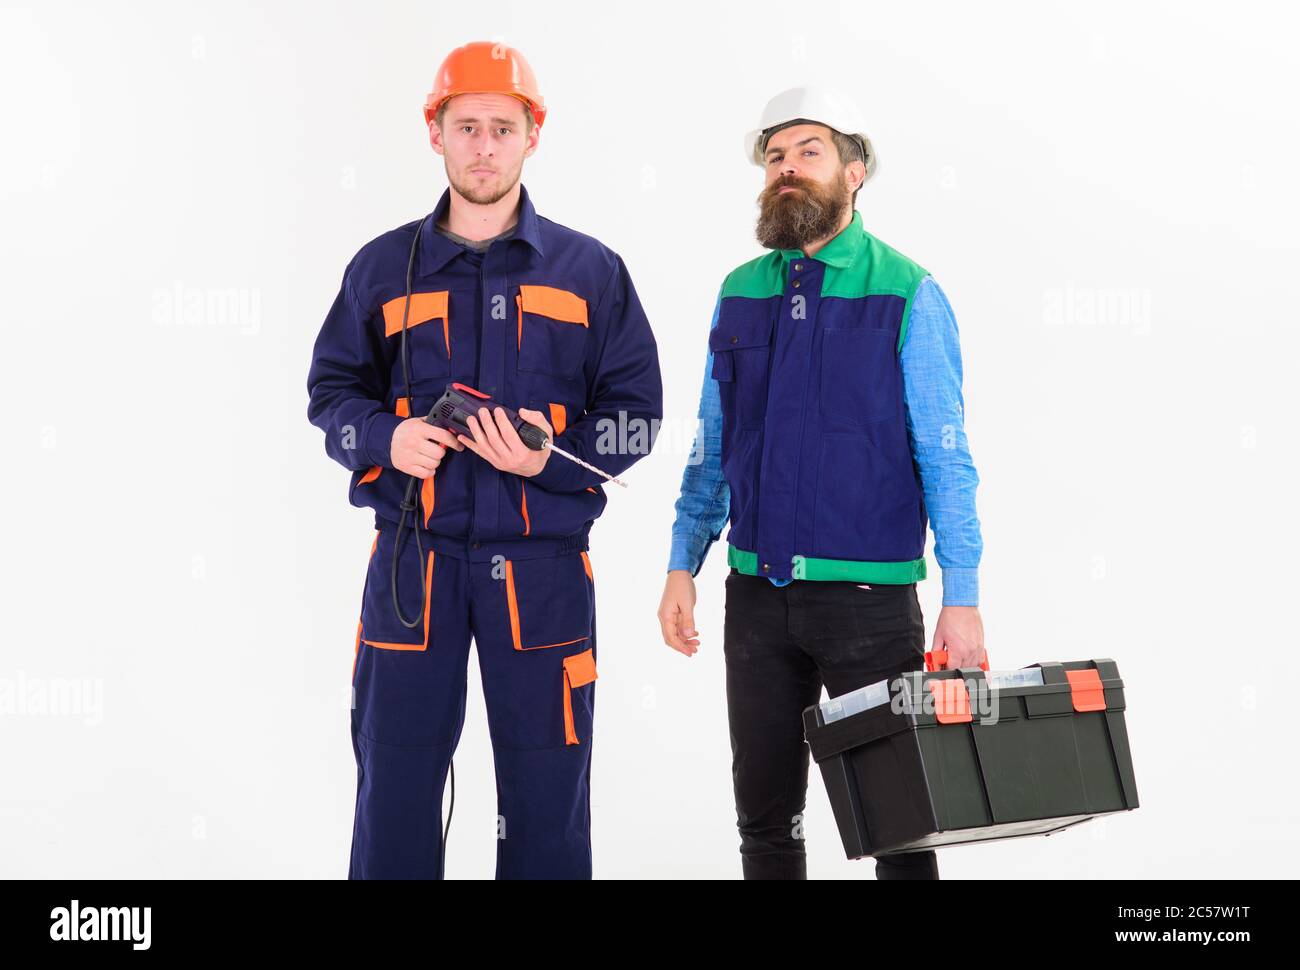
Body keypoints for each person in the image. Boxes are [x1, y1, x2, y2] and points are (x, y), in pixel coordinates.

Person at [308, 41, 662, 879]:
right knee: (392, 795)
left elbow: (635, 422)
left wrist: (552, 466)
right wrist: (382, 438)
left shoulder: (591, 272)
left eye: (503, 127)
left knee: (547, 803)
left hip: (540, 574)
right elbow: (331, 393)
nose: (484, 145)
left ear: (533, 135)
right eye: (465, 126)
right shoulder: (379, 267)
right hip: (412, 567)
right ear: (435, 132)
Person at [658, 86, 985, 880]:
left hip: (869, 606)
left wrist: (962, 594)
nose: (787, 170)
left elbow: (945, 451)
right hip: (757, 600)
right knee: (765, 821)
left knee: (901, 828)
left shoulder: (906, 290)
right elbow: (714, 440)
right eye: (775, 157)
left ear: (855, 169)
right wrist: (682, 559)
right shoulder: (742, 290)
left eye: (809, 152)